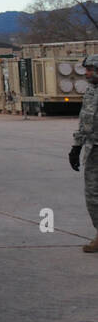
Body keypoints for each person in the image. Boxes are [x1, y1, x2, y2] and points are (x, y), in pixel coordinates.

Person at [70, 54, 98, 253]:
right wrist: (76, 147)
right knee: (93, 195)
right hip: (93, 149)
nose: (87, 73)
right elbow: (84, 121)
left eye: (90, 69)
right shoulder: (90, 91)